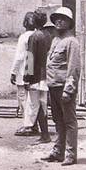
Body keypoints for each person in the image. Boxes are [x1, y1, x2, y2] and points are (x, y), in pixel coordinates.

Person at [43, 6, 81, 165]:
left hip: (64, 87)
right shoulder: (55, 40)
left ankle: (71, 154)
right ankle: (58, 151)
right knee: (58, 120)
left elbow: (74, 67)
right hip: (53, 86)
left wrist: (69, 89)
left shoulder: (71, 42)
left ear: (69, 22)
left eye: (63, 19)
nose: (59, 21)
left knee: (69, 121)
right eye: (56, 18)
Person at [23, 8, 53, 143]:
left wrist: (26, 78)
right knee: (44, 104)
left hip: (36, 77)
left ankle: (45, 134)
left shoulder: (34, 37)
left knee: (38, 105)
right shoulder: (49, 35)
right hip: (47, 75)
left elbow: (30, 58)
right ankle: (45, 133)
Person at [11, 11, 39, 136]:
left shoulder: (23, 37)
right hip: (36, 73)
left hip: (24, 72)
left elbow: (19, 57)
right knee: (34, 101)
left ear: (24, 23)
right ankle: (34, 124)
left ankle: (28, 125)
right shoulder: (39, 35)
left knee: (24, 100)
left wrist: (13, 72)